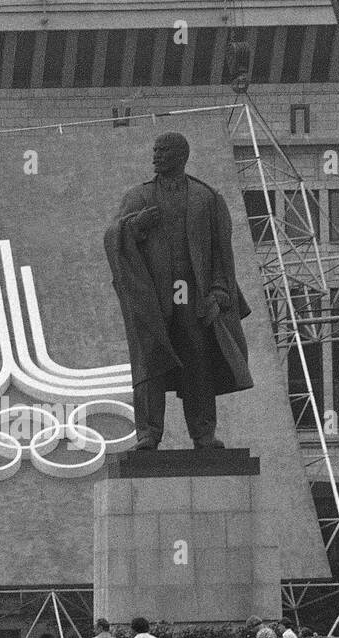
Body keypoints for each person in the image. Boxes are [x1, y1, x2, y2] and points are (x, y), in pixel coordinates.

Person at [105, 131, 253, 450]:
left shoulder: (206, 197)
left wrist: (219, 289)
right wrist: (135, 226)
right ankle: (148, 433)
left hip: (191, 294)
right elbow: (113, 236)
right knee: (150, 361)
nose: (156, 156)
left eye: (163, 151)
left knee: (198, 360)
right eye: (155, 150)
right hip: (153, 296)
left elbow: (221, 251)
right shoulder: (139, 197)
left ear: (182, 156)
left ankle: (203, 432)